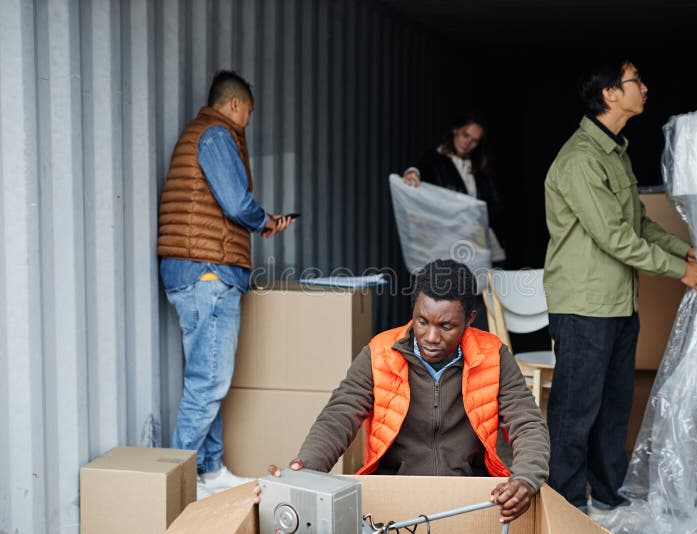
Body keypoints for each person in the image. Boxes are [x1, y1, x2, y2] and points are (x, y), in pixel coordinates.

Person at [542, 59, 697, 513]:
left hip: (619, 303)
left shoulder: (615, 152)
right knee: (576, 410)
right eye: (635, 80)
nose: (644, 87)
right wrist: (679, 271)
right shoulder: (581, 159)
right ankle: (563, 502)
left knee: (613, 407)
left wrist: (685, 252)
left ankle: (607, 492)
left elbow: (638, 223)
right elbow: (615, 237)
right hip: (585, 304)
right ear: (610, 94)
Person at [266, 259, 550, 524]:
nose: (430, 337)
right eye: (422, 321)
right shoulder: (380, 353)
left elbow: (527, 423)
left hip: (473, 496)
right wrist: (305, 469)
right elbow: (340, 415)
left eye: (446, 326)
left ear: (470, 319)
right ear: (413, 310)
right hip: (394, 493)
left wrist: (525, 478)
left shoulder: (494, 355)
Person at [157, 70, 294, 498]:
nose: (248, 121)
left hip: (198, 270)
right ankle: (177, 484)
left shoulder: (203, 134)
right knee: (209, 382)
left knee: (207, 377)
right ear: (235, 104)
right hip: (207, 272)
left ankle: (210, 472)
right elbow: (235, 202)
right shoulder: (216, 135)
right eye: (249, 112)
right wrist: (266, 220)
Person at [402, 113, 507, 265]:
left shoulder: (479, 169)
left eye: (474, 141)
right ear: (455, 130)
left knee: (483, 280)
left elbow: (496, 203)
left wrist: (478, 219)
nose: (468, 143)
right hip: (447, 236)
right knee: (449, 278)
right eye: (466, 135)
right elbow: (420, 170)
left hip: (477, 234)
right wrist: (412, 173)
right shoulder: (435, 159)